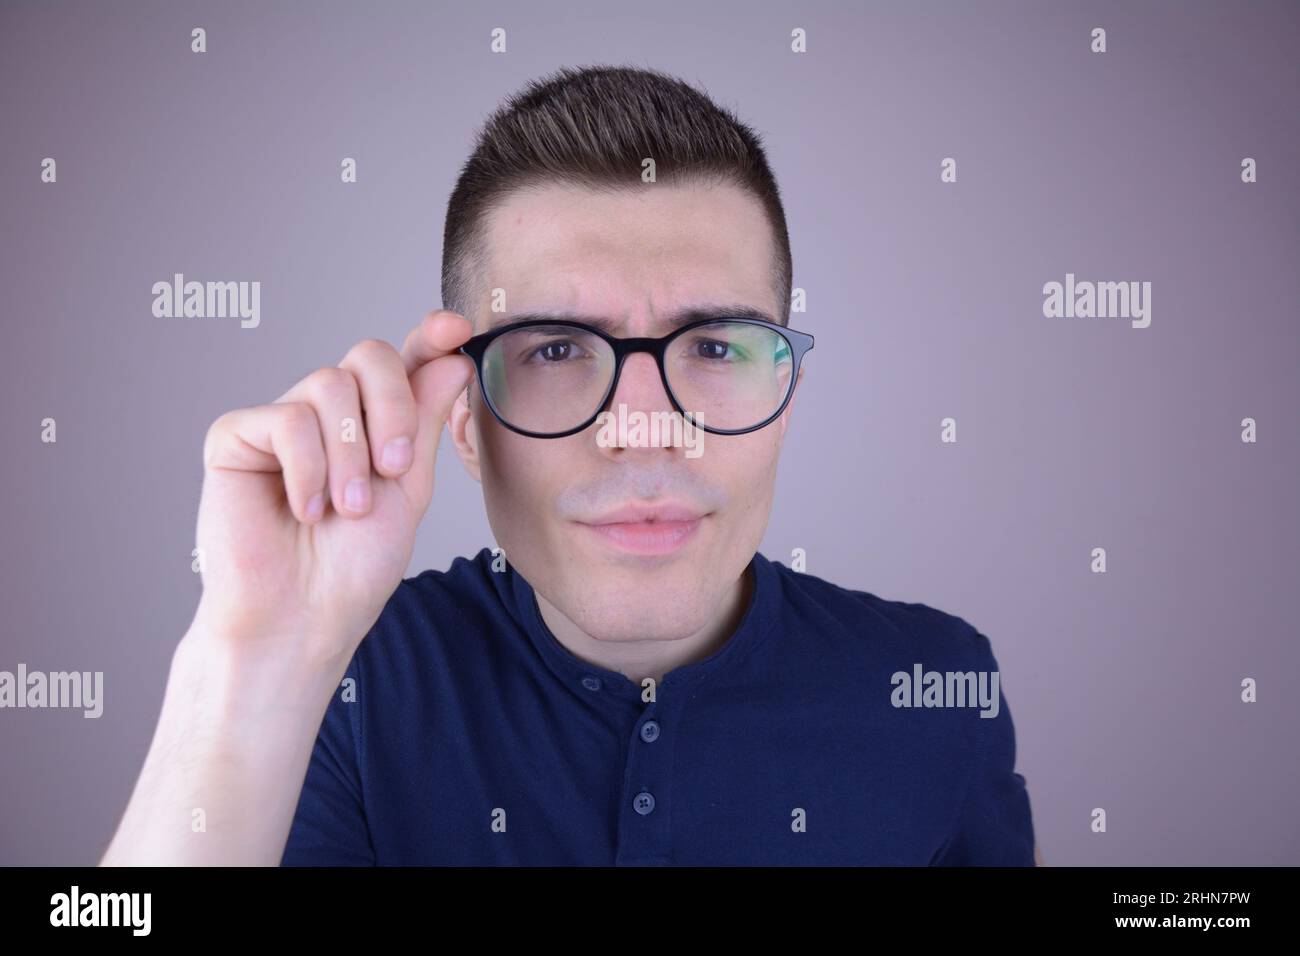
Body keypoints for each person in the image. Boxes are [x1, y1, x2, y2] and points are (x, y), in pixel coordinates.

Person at [100, 64, 1038, 866]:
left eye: (714, 347)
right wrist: (254, 657)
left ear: (785, 402)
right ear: (462, 420)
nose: (645, 429)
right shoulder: (349, 681)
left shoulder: (935, 687)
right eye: (555, 350)